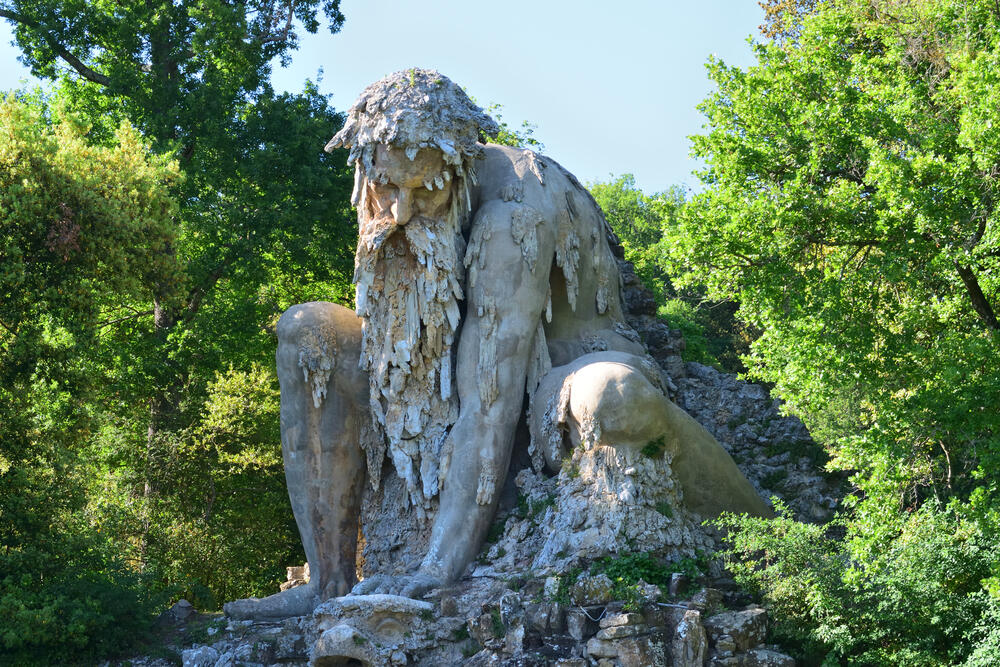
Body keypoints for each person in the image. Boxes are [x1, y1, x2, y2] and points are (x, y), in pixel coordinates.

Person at [224, 69, 769, 620]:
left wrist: (437, 570)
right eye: (387, 188)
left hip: (554, 371)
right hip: (430, 376)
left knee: (613, 395)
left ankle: (764, 545)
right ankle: (328, 582)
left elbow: (489, 399)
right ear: (366, 169)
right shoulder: (387, 211)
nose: (402, 213)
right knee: (305, 330)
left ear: (459, 167)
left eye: (425, 192)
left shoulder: (512, 214)